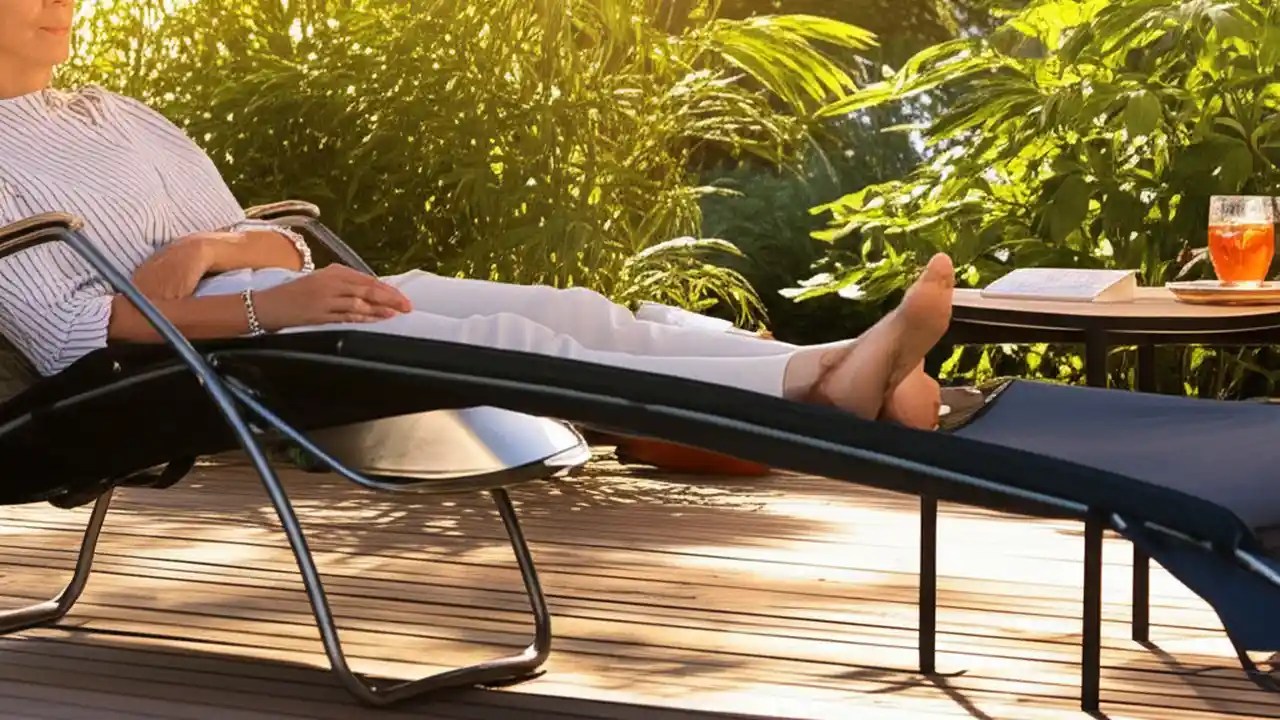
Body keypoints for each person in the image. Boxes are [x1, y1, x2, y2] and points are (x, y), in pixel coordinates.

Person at [0, 0, 952, 430]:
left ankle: (820, 369)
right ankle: (817, 388)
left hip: (299, 302)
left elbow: (269, 239)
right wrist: (267, 305)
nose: (64, 1)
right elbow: (78, 334)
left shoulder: (118, 112)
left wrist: (209, 248)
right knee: (505, 338)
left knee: (575, 310)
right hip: (244, 351)